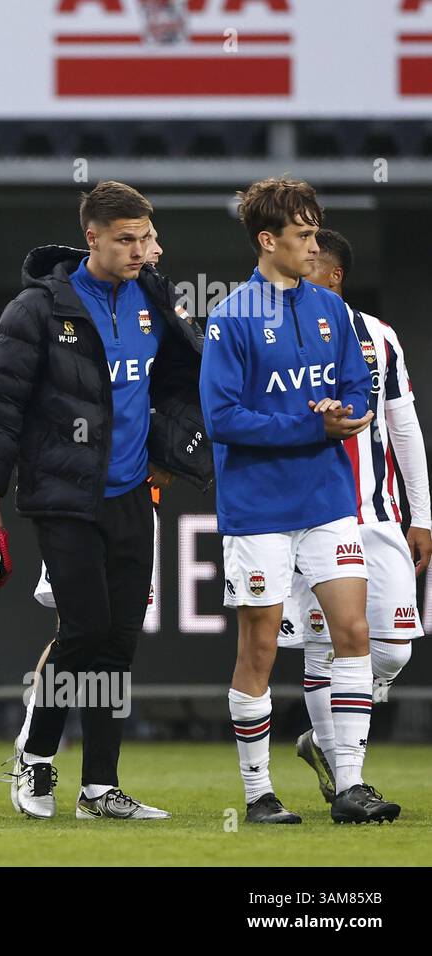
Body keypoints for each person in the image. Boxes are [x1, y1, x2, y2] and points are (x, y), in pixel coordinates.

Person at [0, 181, 208, 821]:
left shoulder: (154, 297)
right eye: (125, 239)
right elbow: (0, 404)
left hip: (133, 492)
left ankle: (100, 787)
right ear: (91, 237)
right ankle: (36, 757)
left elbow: (186, 375)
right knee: (85, 629)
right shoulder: (38, 309)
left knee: (120, 643)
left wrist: (174, 445)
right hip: (63, 493)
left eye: (144, 238)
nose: (138, 250)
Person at [200, 177, 399, 824]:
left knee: (354, 631)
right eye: (304, 234)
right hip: (258, 507)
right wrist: (309, 426)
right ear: (269, 240)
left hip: (327, 499)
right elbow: (223, 418)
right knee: (258, 647)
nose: (315, 246)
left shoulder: (332, 311)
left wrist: (348, 411)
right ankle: (258, 792)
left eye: (317, 232)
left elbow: (357, 387)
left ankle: (349, 785)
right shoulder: (231, 317)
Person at [273, 228, 427, 803]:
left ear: (332, 275)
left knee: (392, 649)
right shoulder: (276, 335)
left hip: (379, 513)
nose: (294, 277)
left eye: (308, 267)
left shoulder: (377, 337)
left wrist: (423, 515)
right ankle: (347, 780)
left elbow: (404, 428)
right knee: (324, 644)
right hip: (312, 512)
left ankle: (325, 740)